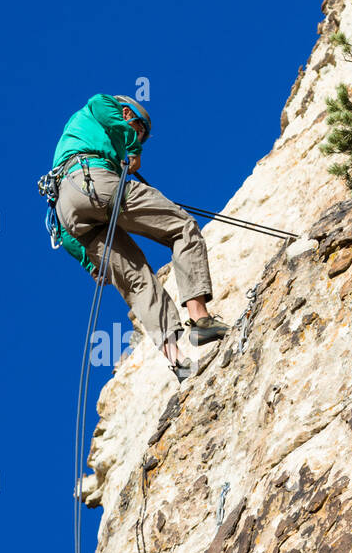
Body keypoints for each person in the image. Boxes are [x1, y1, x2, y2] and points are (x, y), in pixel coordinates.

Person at [51, 94, 228, 381]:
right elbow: (109, 114)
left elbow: (64, 233)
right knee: (182, 226)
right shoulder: (101, 103)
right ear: (126, 113)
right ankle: (200, 318)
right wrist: (132, 148)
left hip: (69, 208)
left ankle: (179, 362)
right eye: (139, 130)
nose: (139, 138)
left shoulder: (70, 145)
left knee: (135, 279)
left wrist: (90, 261)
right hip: (93, 180)